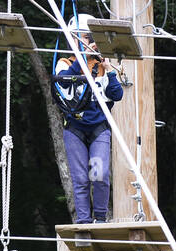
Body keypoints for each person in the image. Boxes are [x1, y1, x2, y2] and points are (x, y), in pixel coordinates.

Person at [53, 13, 124, 224]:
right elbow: (65, 82)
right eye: (80, 38)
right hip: (74, 127)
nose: (85, 42)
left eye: (87, 38)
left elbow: (116, 95)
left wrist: (110, 71)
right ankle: (84, 221)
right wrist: (81, 55)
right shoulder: (64, 63)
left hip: (98, 127)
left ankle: (100, 218)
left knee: (99, 175)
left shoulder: (101, 65)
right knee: (81, 178)